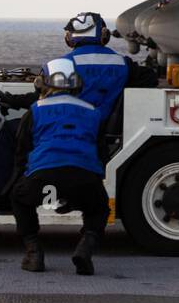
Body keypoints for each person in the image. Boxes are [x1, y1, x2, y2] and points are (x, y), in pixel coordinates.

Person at [0, 12, 156, 210]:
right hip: (99, 131)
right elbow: (150, 78)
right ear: (103, 35)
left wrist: (11, 99)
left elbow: (41, 98)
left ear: (70, 38)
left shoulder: (63, 65)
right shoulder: (123, 64)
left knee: (10, 130)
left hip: (62, 129)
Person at [8, 58, 110, 275]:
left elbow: (21, 151)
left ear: (43, 83)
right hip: (85, 177)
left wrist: (21, 180)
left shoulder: (35, 110)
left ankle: (34, 252)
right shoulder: (93, 112)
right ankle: (86, 248)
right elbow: (102, 153)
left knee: (19, 198)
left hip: (44, 176)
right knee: (99, 208)